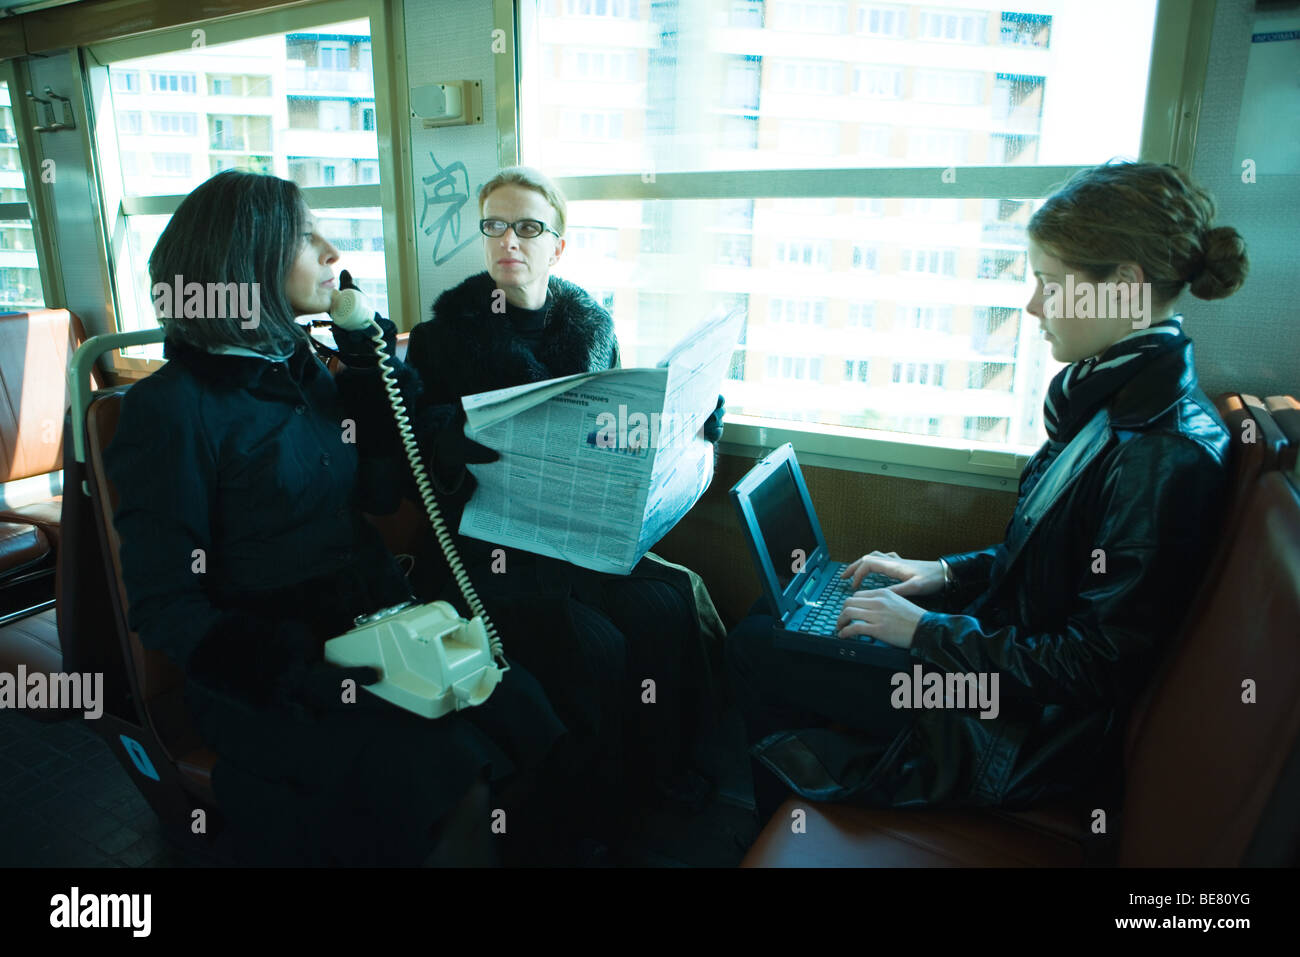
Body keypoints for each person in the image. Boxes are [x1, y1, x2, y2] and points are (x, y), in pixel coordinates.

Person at [725, 160, 1247, 823]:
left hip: (1024, 730)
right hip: (1002, 674)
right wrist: (938, 574)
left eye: (1050, 284)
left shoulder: (1159, 453)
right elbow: (1043, 571)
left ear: (1122, 287)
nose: (1032, 307)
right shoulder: (1113, 401)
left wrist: (925, 632)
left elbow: (1093, 665)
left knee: (759, 645)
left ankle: (771, 826)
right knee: (774, 619)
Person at [103, 169, 568, 866]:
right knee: (445, 780)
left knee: (520, 703)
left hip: (371, 625)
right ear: (246, 260)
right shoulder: (170, 411)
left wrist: (370, 363)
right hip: (268, 673)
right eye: (304, 236)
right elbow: (165, 603)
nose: (331, 251)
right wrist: (294, 672)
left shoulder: (303, 366)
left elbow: (383, 491)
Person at [351, 166, 728, 846]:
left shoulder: (591, 327)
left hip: (578, 533)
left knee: (675, 600)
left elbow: (617, 437)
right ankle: (590, 816)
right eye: (495, 225)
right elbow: (405, 471)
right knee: (593, 642)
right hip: (485, 547)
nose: (509, 242)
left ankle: (662, 773)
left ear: (558, 244)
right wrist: (442, 439)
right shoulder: (442, 338)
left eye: (528, 227)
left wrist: (689, 422)